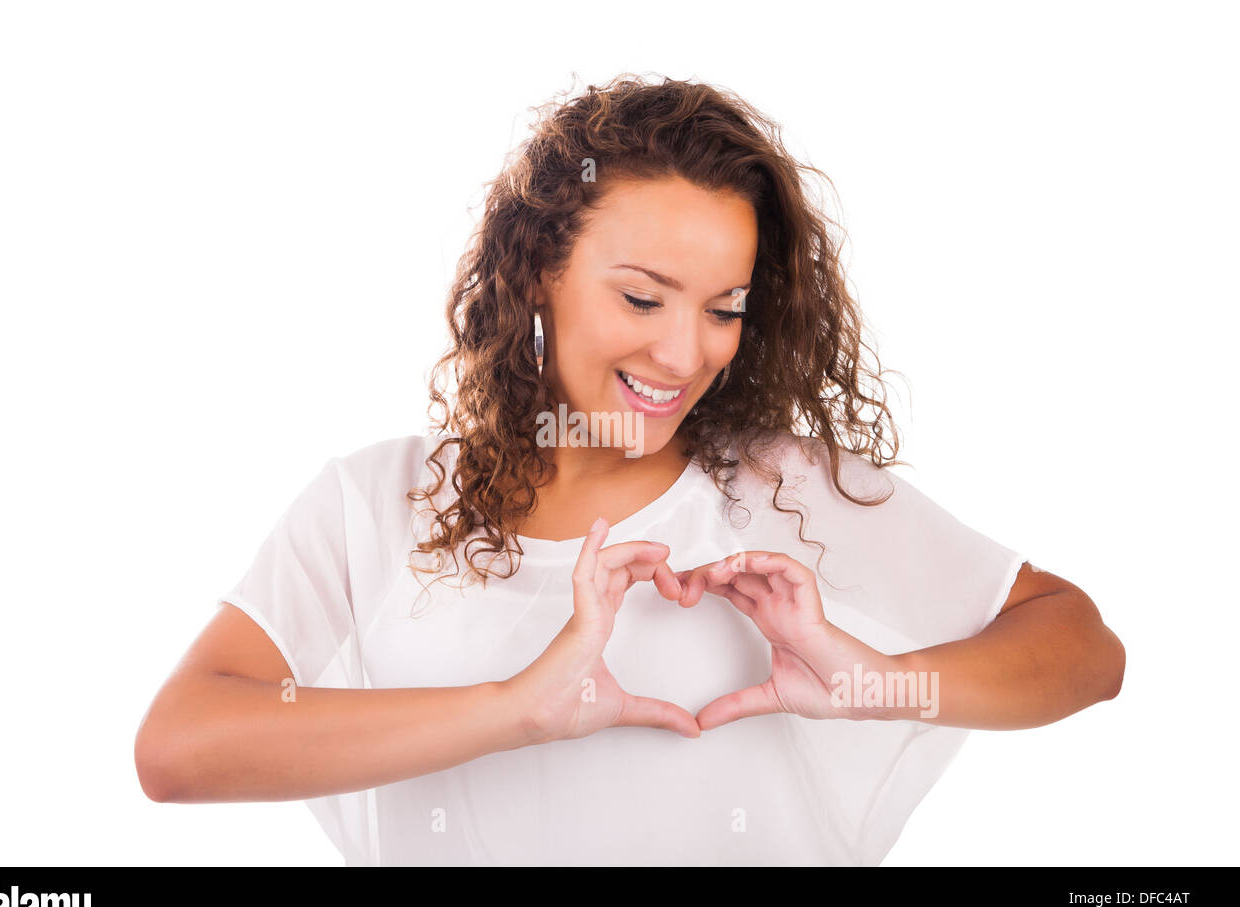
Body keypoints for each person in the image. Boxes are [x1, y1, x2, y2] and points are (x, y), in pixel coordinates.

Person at [134, 74, 1125, 865]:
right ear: (539, 274)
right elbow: (179, 746)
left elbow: (1082, 647)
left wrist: (880, 681)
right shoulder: (379, 502)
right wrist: (515, 706)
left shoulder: (786, 489)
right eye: (644, 298)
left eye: (723, 307)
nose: (686, 352)